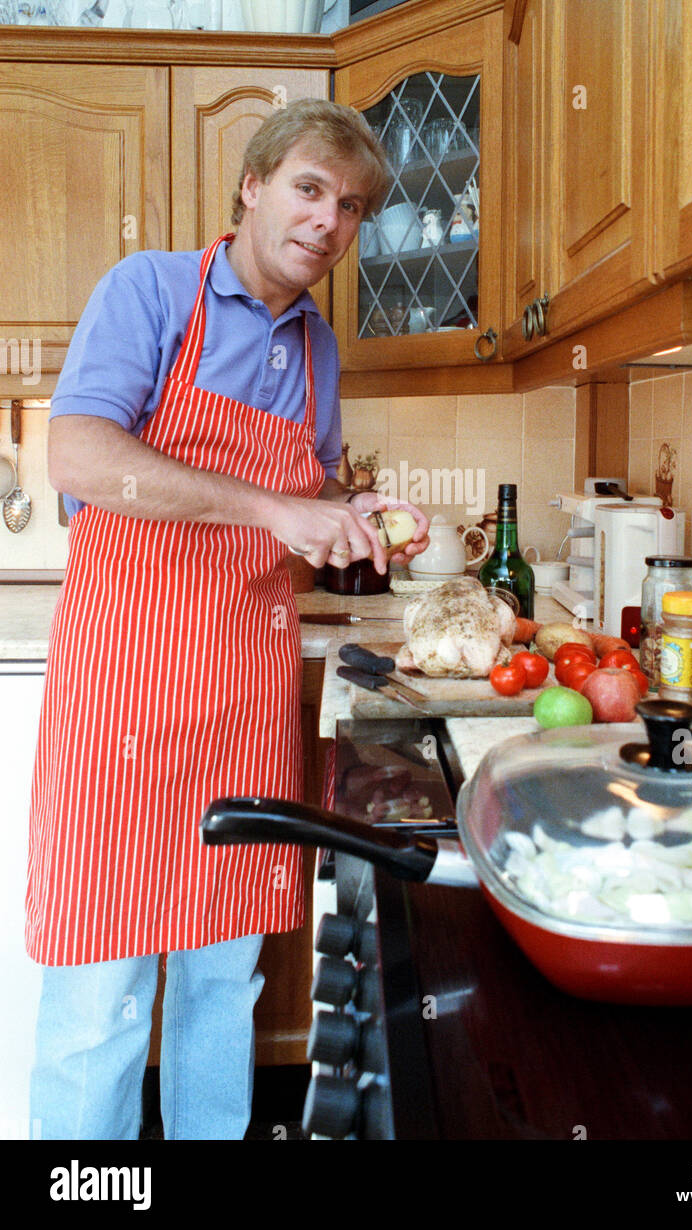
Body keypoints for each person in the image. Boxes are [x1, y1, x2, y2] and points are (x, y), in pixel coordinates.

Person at [25, 99, 429, 1140]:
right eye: (308, 188)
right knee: (99, 997)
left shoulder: (320, 350)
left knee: (224, 983)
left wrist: (355, 521)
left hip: (241, 699)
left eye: (350, 207)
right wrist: (274, 504)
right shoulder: (152, 291)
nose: (328, 222)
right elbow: (77, 458)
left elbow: (299, 531)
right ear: (252, 186)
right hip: (125, 696)